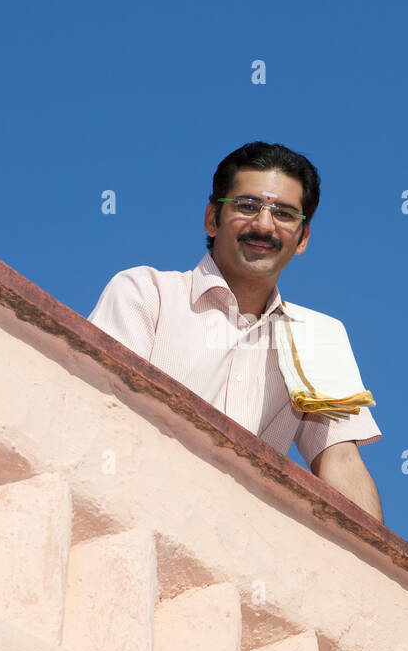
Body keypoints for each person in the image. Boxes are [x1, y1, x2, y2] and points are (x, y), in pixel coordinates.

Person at [87, 141, 383, 522]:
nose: (264, 225)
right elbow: (101, 410)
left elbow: (340, 461)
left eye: (284, 213)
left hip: (243, 549)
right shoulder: (146, 294)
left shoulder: (317, 335)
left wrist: (369, 575)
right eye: (247, 206)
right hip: (134, 515)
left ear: (303, 237)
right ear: (213, 218)